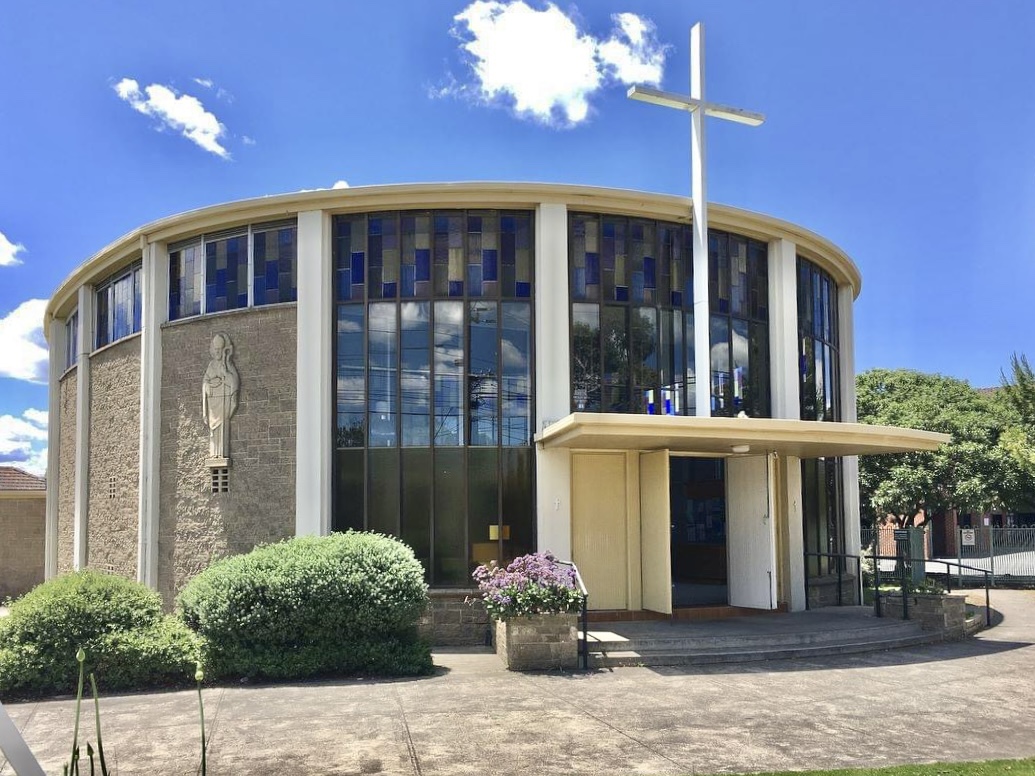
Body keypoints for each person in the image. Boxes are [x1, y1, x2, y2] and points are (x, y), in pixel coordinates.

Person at [202, 333, 239, 460]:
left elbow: (234, 382)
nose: (217, 352)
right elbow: (205, 382)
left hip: (223, 402)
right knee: (214, 431)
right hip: (213, 403)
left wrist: (225, 374)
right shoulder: (211, 365)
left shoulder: (227, 364)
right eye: (215, 350)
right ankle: (214, 453)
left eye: (219, 350)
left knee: (222, 427)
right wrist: (209, 385)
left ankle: (222, 452)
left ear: (223, 350)